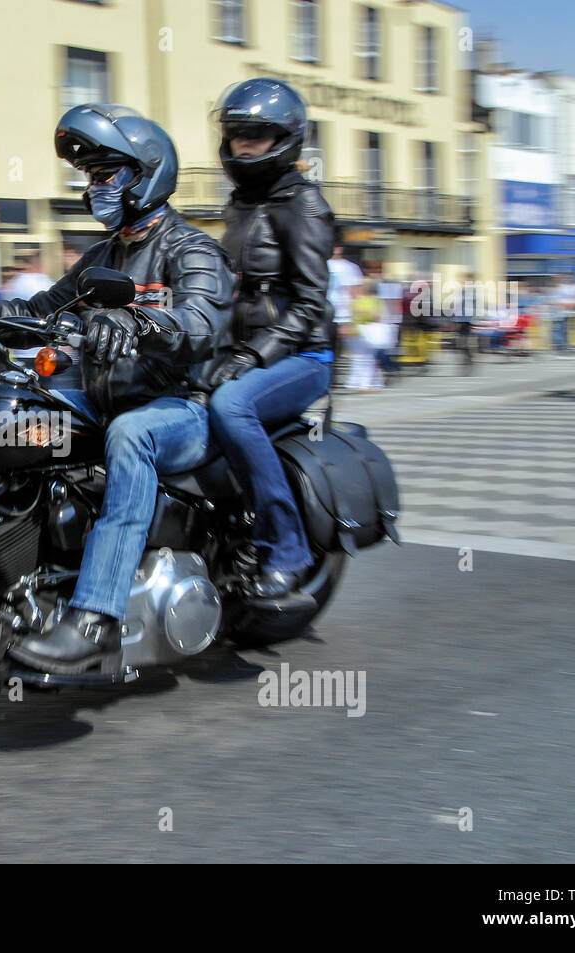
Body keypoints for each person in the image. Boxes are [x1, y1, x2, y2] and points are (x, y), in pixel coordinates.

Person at [0, 103, 234, 672]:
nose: (94, 189)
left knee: (130, 437)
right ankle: (19, 583)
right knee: (0, 419)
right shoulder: (100, 258)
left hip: (182, 409)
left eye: (106, 175)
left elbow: (199, 323)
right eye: (90, 177)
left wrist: (139, 322)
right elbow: (34, 311)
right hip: (106, 398)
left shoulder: (190, 249)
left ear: (147, 173)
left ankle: (97, 618)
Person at [201, 77, 337, 602]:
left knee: (233, 407)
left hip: (302, 356)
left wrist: (253, 355)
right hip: (241, 351)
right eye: (237, 135)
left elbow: (310, 305)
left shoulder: (302, 206)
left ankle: (286, 547)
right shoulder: (239, 204)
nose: (244, 145)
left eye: (256, 135)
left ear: (285, 139)